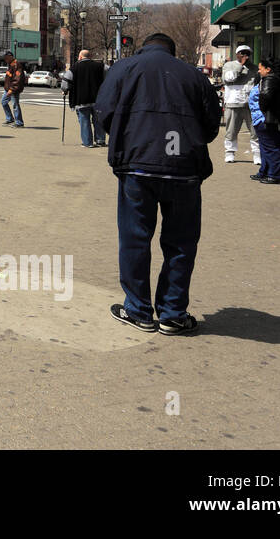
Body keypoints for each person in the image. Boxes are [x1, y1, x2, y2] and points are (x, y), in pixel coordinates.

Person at [95, 32, 222, 336]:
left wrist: (128, 135)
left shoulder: (123, 69)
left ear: (143, 48)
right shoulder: (194, 75)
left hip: (137, 166)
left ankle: (138, 310)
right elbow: (211, 123)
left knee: (135, 239)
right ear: (173, 50)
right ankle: (173, 313)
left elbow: (104, 113)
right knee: (181, 241)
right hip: (183, 169)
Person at [251, 56, 280, 183]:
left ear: (268, 69)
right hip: (270, 120)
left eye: (260, 68)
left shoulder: (269, 79)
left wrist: (262, 109)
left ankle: (276, 175)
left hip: (269, 120)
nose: (259, 71)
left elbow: (265, 97)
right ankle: (265, 172)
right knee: (266, 148)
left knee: (272, 148)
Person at [221, 45, 258, 165]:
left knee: (255, 131)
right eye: (242, 53)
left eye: (247, 53)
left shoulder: (254, 68)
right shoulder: (229, 65)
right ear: (237, 54)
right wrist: (240, 65)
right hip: (233, 103)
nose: (245, 56)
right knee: (231, 131)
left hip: (250, 105)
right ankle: (229, 152)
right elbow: (229, 78)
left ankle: (257, 154)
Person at [68, 49, 108, 147]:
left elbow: (66, 81)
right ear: (90, 57)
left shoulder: (74, 68)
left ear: (80, 57)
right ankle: (100, 140)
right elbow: (110, 74)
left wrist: (64, 90)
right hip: (98, 99)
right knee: (98, 120)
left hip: (81, 99)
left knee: (84, 121)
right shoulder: (101, 66)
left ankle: (87, 142)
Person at [1, 54, 27, 127]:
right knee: (3, 102)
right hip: (9, 88)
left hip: (13, 89)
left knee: (15, 104)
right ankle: (10, 119)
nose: (5, 60)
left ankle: (19, 122)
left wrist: (11, 89)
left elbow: (17, 79)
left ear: (10, 57)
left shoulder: (16, 65)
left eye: (6, 58)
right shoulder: (11, 65)